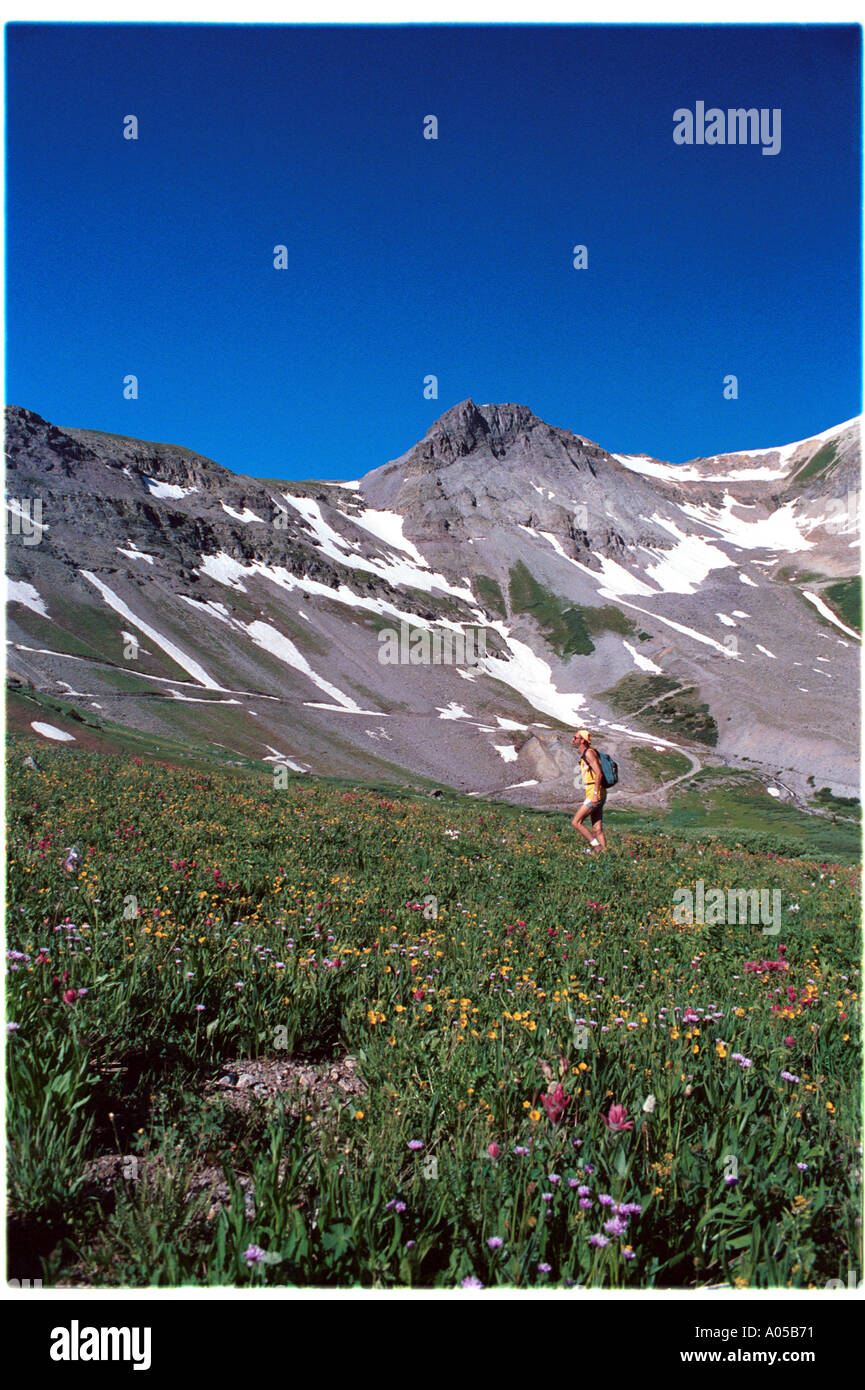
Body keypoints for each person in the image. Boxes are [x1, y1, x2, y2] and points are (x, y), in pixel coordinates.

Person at [571, 729, 608, 853]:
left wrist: (595, 795)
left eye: (575, 738)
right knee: (597, 828)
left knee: (576, 822)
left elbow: (599, 774)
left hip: (594, 793)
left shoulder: (589, 754)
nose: (573, 739)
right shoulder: (587, 754)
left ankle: (596, 847)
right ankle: (604, 855)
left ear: (583, 740)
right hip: (598, 793)